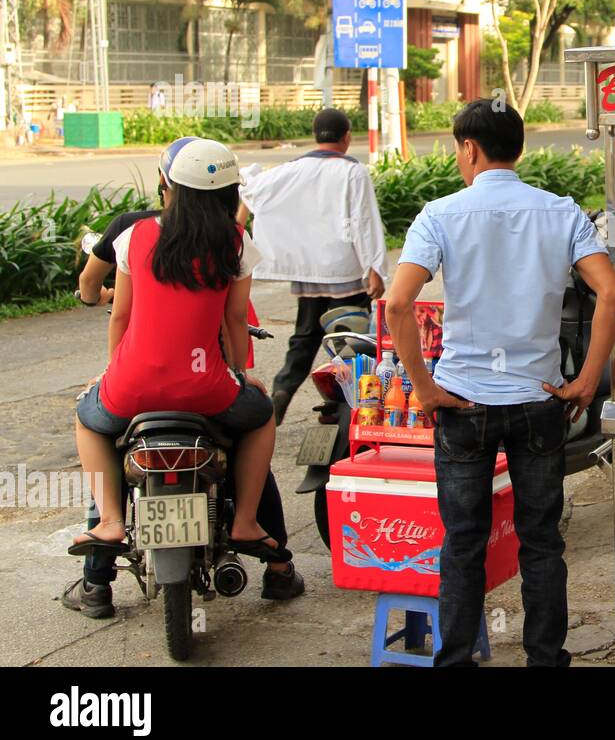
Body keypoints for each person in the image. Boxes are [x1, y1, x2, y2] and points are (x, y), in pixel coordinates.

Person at [385, 99, 615, 667]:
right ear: (517, 148)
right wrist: (587, 380)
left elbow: (396, 304)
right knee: (541, 540)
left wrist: (423, 387)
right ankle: (545, 658)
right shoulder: (561, 211)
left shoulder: (439, 214)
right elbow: (611, 293)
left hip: (463, 401)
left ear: (469, 149)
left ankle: (455, 660)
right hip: (539, 401)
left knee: (462, 542)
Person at [66, 138, 303, 614]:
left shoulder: (134, 235)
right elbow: (236, 322)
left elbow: (120, 316)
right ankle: (248, 524)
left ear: (168, 185)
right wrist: (240, 374)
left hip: (131, 387)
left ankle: (110, 521)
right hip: (206, 390)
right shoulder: (236, 243)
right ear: (228, 191)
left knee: (88, 421)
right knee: (258, 422)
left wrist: (115, 372)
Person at [238, 108, 388, 424]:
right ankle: (351, 409)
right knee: (352, 342)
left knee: (304, 338)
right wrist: (374, 266)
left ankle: (283, 388)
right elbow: (363, 221)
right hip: (346, 271)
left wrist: (237, 231)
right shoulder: (352, 171)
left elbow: (249, 189)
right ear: (347, 137)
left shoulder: (290, 169)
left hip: (308, 273)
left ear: (315, 135)